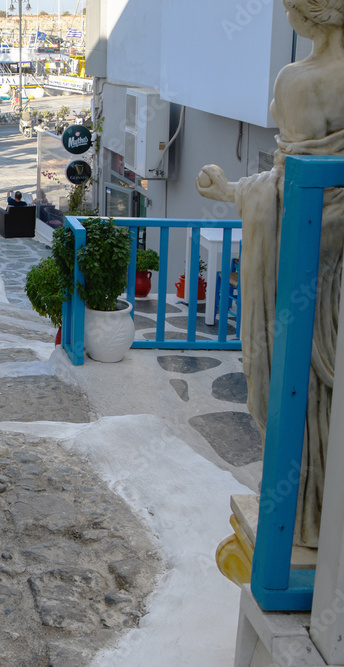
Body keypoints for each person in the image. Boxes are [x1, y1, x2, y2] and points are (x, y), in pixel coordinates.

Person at [195, 0, 344, 548]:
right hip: (334, 262)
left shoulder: (301, 82)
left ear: (306, 16)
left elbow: (294, 193)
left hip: (308, 258)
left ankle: (304, 518)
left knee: (295, 385)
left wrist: (232, 192)